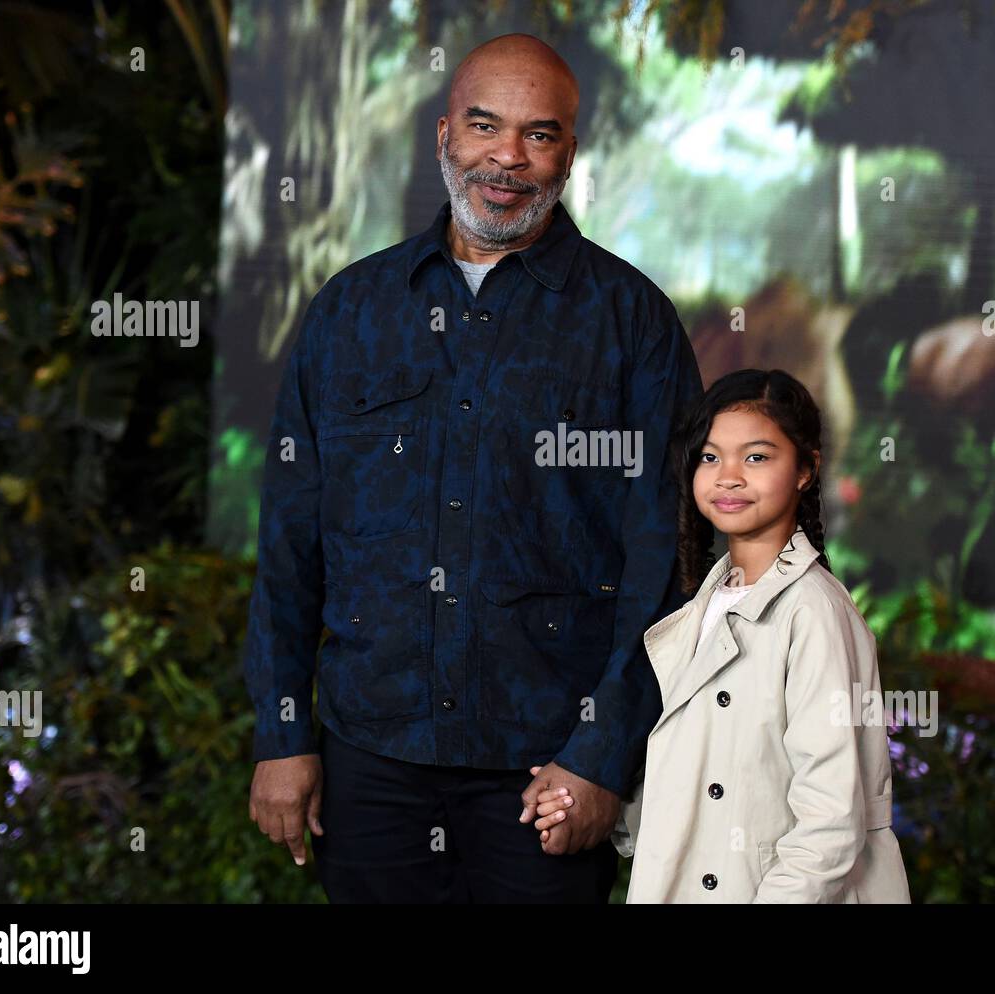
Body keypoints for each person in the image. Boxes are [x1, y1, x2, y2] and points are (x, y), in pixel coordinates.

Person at [242, 32, 703, 903]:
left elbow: (670, 556)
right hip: (367, 761)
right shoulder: (352, 310)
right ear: (445, 135)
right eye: (486, 127)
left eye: (540, 134)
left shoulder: (632, 322)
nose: (508, 158)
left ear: (570, 152)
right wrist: (282, 732)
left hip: (547, 768)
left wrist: (604, 756)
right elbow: (289, 541)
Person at [529, 368, 911, 902]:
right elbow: (693, 782)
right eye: (710, 457)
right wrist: (584, 791)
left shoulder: (815, 612)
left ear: (805, 470)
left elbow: (831, 820)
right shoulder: (703, 605)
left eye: (756, 457)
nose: (728, 476)